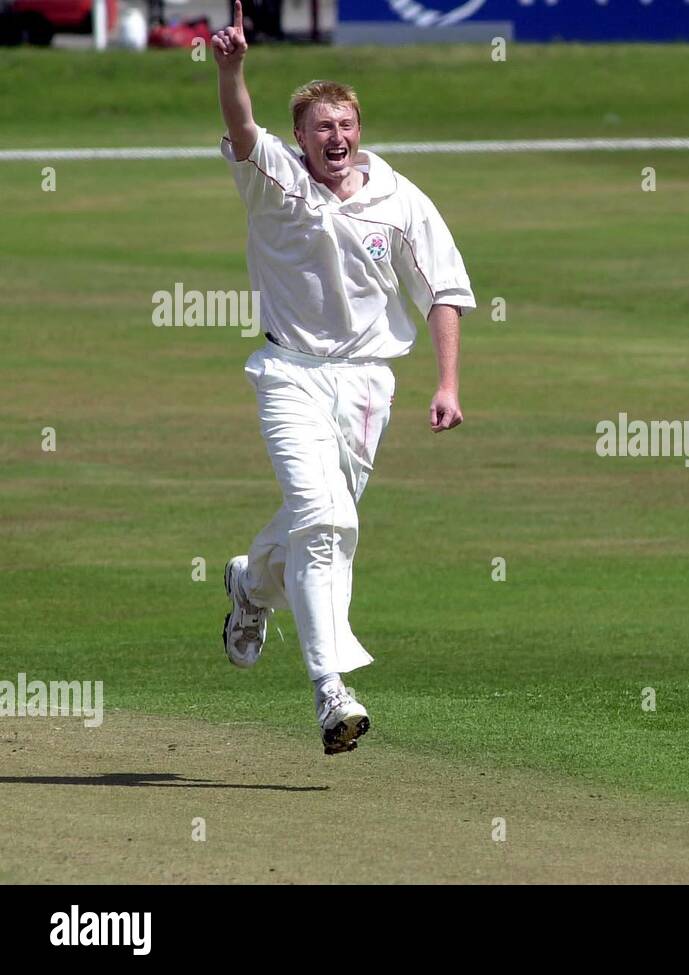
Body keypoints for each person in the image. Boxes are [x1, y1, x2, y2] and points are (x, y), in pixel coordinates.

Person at [213, 2, 475, 755]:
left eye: (346, 125)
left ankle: (251, 586)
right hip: (289, 373)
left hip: (367, 386)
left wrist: (447, 383)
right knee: (328, 523)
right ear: (299, 137)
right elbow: (239, 129)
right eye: (321, 127)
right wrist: (232, 69)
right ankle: (333, 694)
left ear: (360, 130)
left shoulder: (399, 200)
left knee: (315, 526)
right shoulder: (273, 180)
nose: (336, 137)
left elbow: (445, 292)